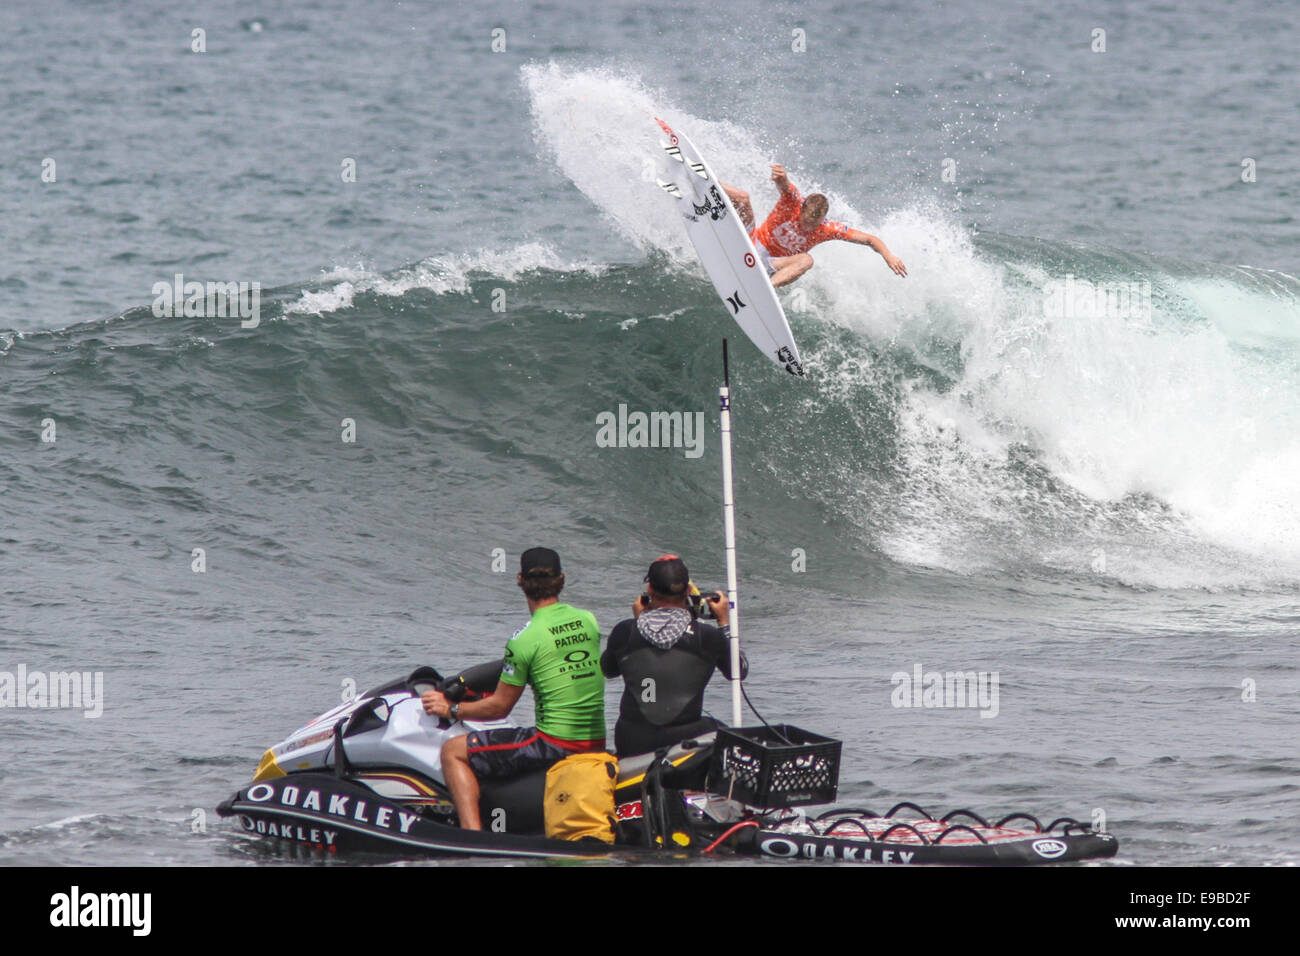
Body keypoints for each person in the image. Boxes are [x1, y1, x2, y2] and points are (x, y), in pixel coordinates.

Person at [421, 547, 605, 830]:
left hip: (553, 744)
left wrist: (452, 708)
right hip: (594, 741)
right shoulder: (588, 621)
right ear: (562, 579)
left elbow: (498, 708)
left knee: (452, 751)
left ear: (520, 581)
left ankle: (473, 838)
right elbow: (552, 658)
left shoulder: (524, 639)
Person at [600, 554, 747, 757]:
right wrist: (724, 624)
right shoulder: (707, 636)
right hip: (683, 741)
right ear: (688, 591)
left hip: (632, 741)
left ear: (649, 590)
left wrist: (640, 621)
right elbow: (738, 671)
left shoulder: (625, 631)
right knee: (724, 731)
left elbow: (608, 671)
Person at [722, 164, 908, 287]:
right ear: (801, 210)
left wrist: (888, 255)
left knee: (807, 260)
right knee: (742, 197)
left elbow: (869, 239)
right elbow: (784, 184)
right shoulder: (792, 202)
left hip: (771, 264)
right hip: (750, 243)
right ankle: (702, 177)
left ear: (822, 220)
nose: (808, 228)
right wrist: (781, 176)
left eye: (814, 224)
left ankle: (764, 289)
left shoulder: (827, 229)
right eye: (805, 222)